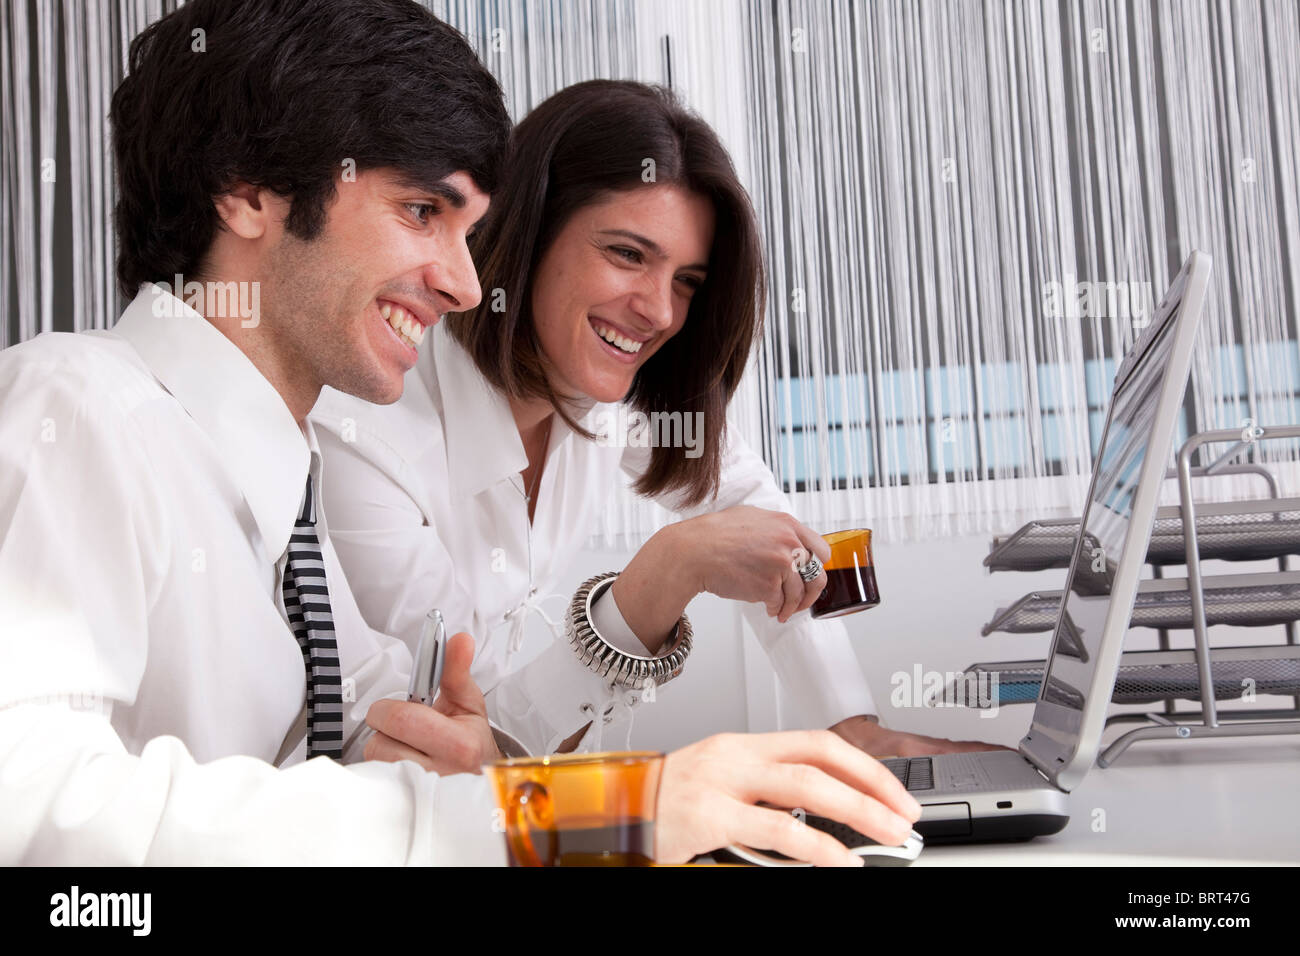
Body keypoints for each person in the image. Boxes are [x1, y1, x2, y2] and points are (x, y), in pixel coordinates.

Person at [0, 0, 922, 867]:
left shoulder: (282, 478)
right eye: (421, 213)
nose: (463, 283)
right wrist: (591, 813)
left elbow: (381, 738)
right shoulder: (78, 406)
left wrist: (460, 764)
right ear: (247, 194)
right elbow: (29, 807)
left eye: (469, 230)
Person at [312, 80, 1000, 759]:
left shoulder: (608, 399)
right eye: (628, 254)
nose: (661, 312)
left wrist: (851, 726)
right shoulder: (367, 437)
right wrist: (666, 574)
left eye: (686, 282)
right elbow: (478, 740)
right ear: (528, 233)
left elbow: (767, 525)